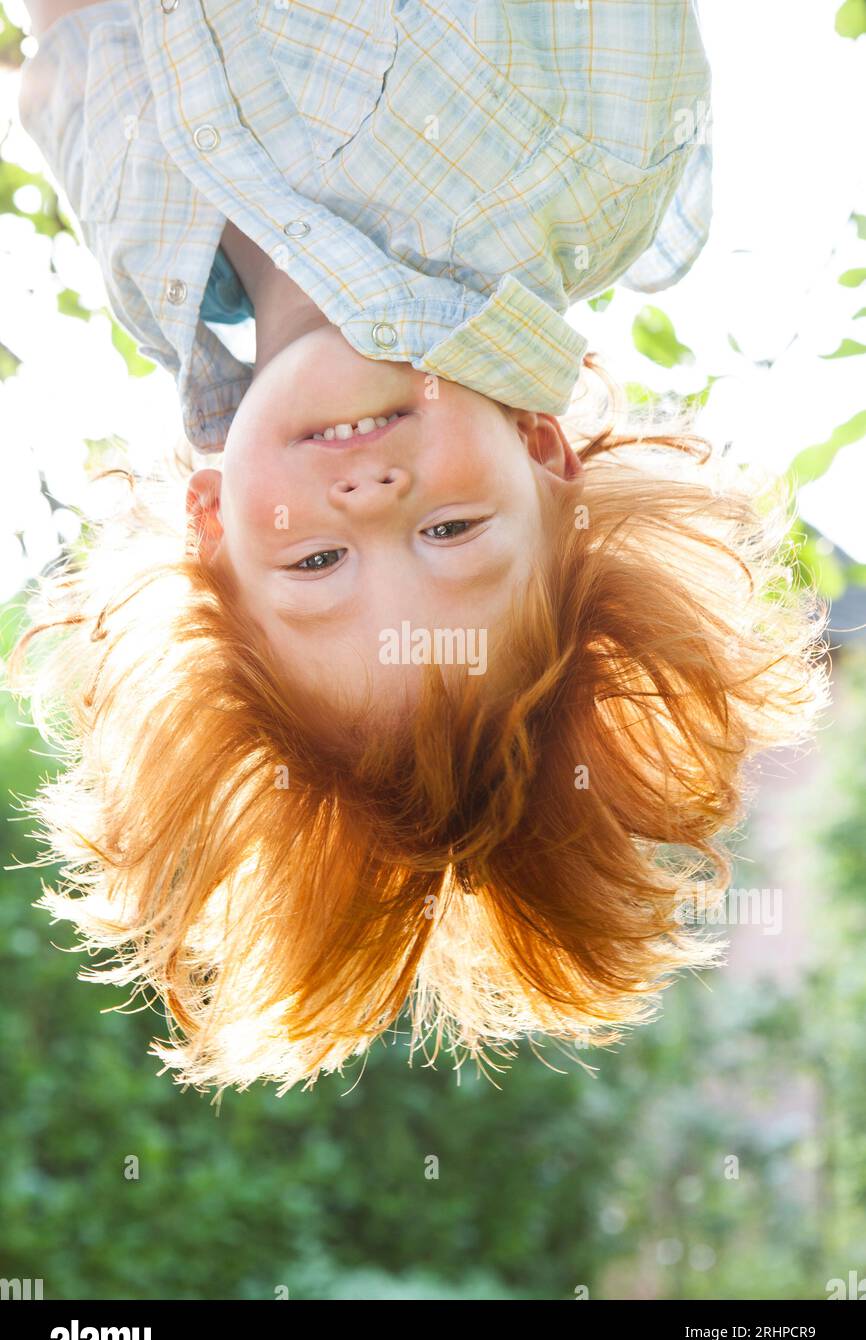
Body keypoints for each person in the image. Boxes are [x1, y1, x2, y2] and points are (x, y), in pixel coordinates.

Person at [7, 1, 828, 1095]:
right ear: (543, 451)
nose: (369, 496)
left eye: (315, 566)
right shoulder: (586, 167)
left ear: (213, 527)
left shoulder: (137, 246)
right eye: (448, 531)